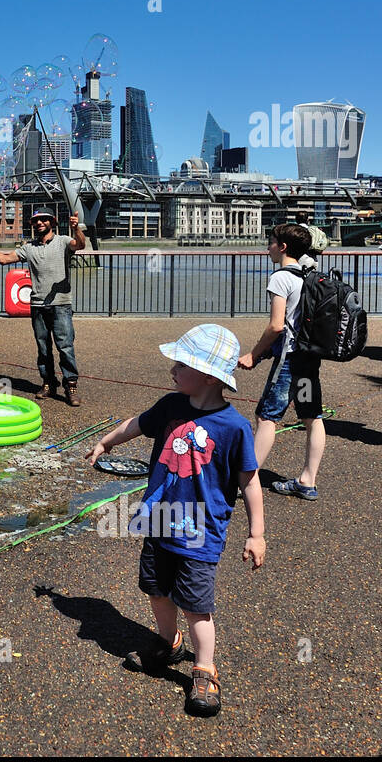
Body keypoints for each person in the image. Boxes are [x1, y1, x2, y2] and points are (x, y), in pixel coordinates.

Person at [86, 324, 264, 718]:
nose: (173, 371)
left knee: (198, 605)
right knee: (156, 588)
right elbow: (137, 423)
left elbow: (249, 480)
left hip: (201, 532)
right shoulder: (170, 406)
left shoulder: (233, 427)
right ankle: (169, 642)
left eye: (181, 364)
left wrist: (257, 533)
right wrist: (107, 441)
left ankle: (205, 668)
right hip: (159, 520)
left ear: (206, 374)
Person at [236, 224, 324, 501]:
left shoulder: (280, 278)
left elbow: (276, 326)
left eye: (271, 242)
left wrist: (253, 354)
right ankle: (307, 480)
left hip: (289, 360)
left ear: (283, 247)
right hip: (310, 357)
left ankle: (244, 481)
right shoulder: (309, 274)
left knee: (267, 416)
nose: (268, 247)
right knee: (312, 417)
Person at [0, 206, 86, 405]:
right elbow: (3, 259)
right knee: (43, 348)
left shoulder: (63, 241)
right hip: (37, 305)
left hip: (61, 304)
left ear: (52, 222)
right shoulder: (29, 247)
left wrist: (77, 229)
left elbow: (80, 245)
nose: (40, 223)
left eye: (44, 219)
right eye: (36, 220)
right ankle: (48, 383)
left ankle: (71, 385)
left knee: (65, 346)